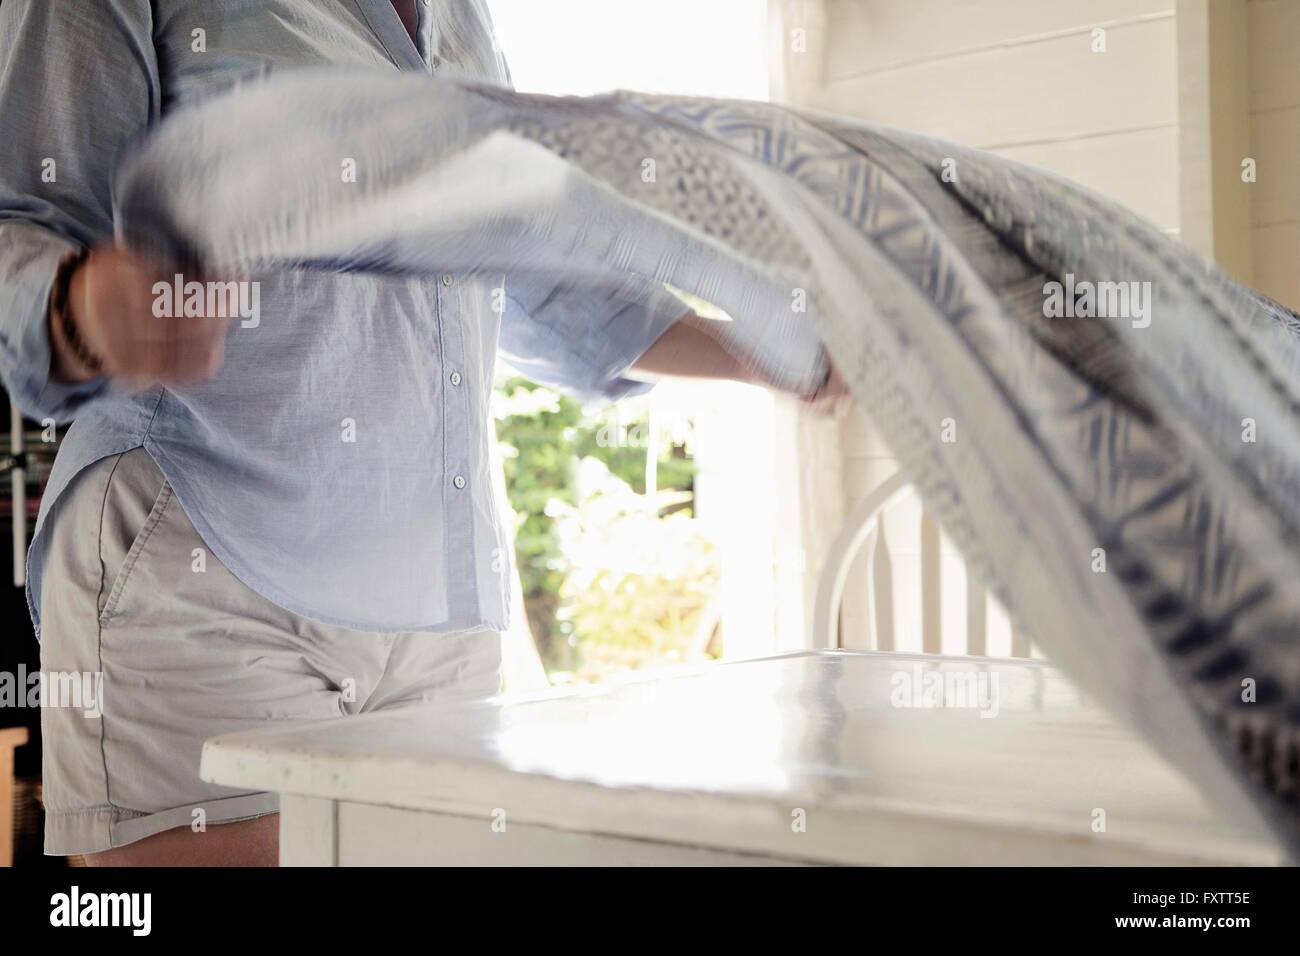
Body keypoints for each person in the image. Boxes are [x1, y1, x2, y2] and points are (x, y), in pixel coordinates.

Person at [0, 0, 843, 866]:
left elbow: (535, 273)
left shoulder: (462, 20)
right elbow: (18, 224)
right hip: (207, 563)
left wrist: (776, 356)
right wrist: (80, 304)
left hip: (434, 617)